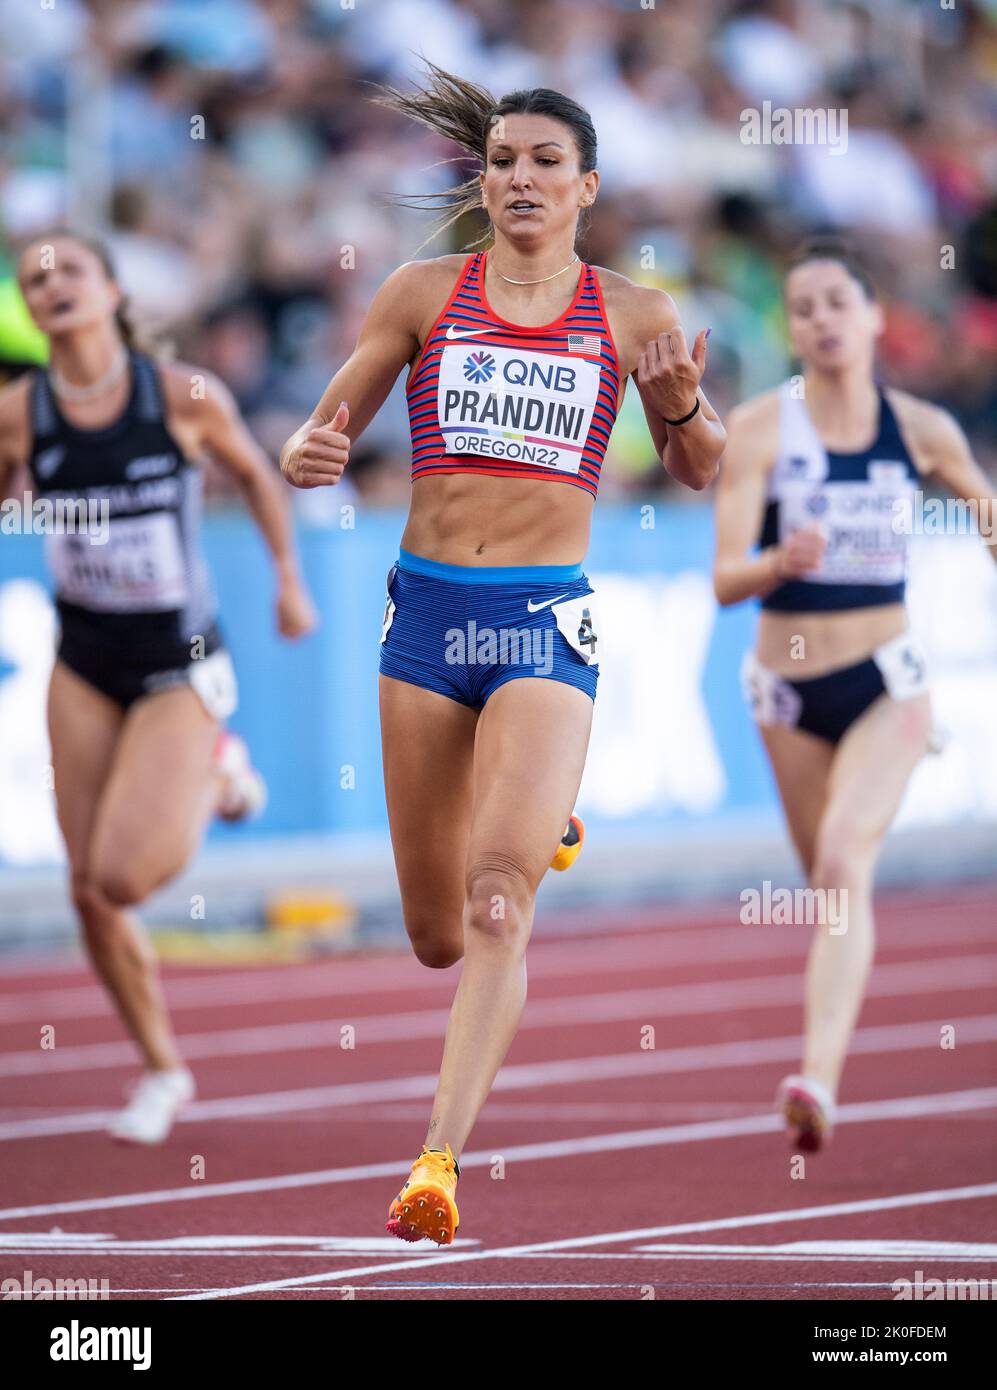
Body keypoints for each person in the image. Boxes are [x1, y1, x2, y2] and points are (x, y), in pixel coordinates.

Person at [280, 64, 726, 1243]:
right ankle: (538, 817)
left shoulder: (632, 314)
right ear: (482, 180)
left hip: (540, 622)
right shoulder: (423, 291)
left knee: (493, 909)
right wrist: (304, 456)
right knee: (432, 933)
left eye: (543, 163)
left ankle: (437, 1162)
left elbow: (700, 464)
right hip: (425, 621)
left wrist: (679, 408)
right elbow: (324, 427)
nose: (520, 178)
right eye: (503, 161)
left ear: (588, 185)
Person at [0, 230, 317, 1144]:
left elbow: (257, 478)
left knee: (125, 872)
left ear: (110, 289)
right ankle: (162, 1070)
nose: (53, 286)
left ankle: (218, 768)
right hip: (83, 658)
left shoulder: (178, 396)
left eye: (70, 272)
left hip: (179, 658)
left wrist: (290, 580)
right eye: (35, 280)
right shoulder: (21, 414)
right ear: (28, 308)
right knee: (87, 893)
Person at [713, 237, 997, 1151]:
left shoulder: (920, 430)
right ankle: (822, 1070)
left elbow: (985, 516)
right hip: (786, 694)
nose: (821, 319)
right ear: (790, 328)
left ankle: (816, 1084)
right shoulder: (759, 427)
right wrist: (774, 561)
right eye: (802, 307)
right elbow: (722, 578)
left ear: (876, 317)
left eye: (837, 301)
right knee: (830, 890)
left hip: (887, 682)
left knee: (841, 862)